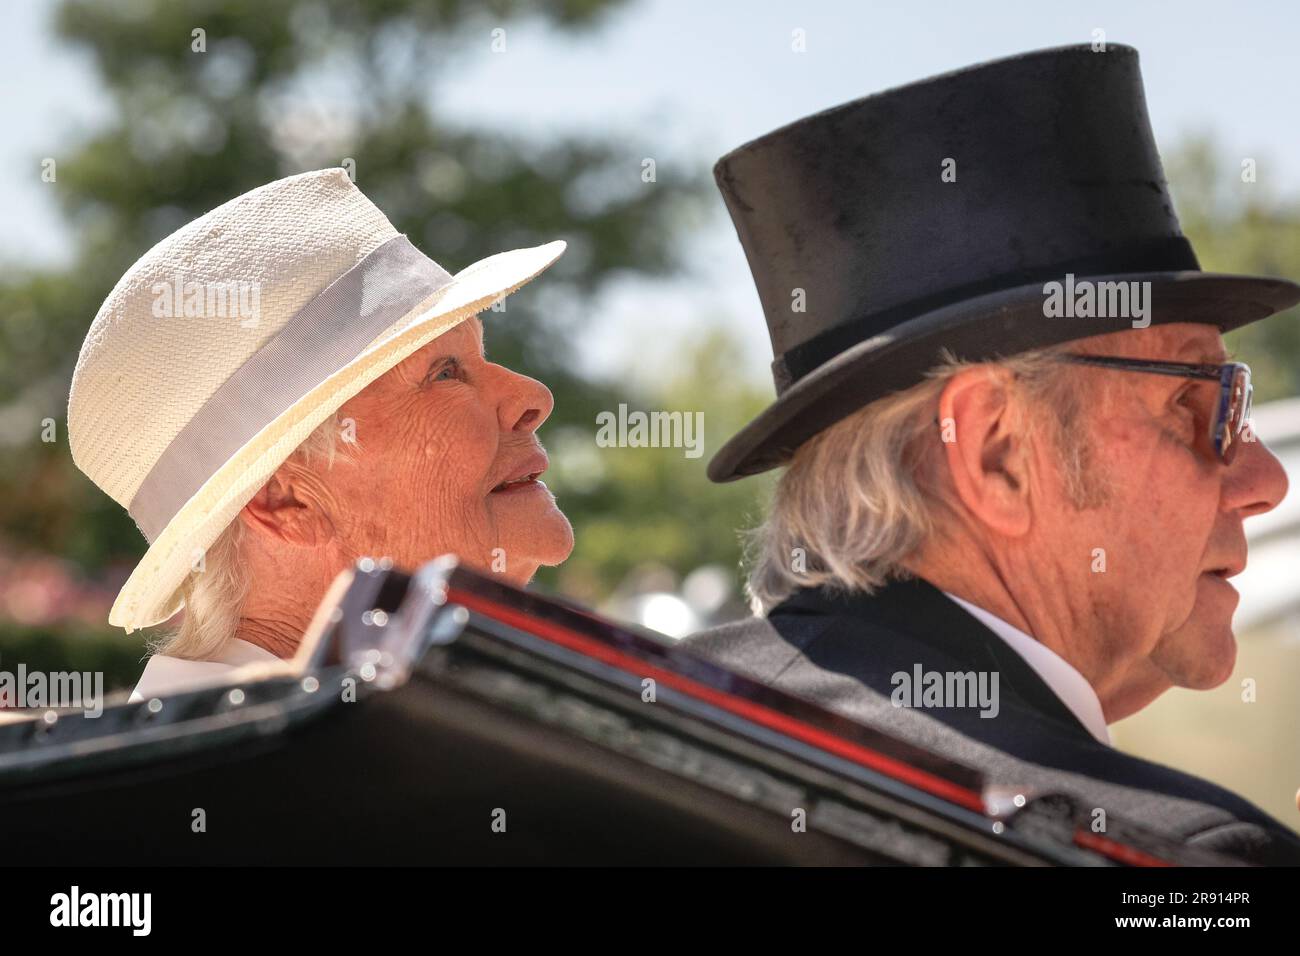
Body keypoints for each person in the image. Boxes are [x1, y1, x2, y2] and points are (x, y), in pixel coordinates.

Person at [684, 44, 1300, 864]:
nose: (1265, 481)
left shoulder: (594, 723)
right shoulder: (1179, 857)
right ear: (995, 453)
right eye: (1197, 404)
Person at [67, 169, 573, 701]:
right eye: (444, 373)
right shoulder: (238, 774)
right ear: (285, 499)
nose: (533, 397)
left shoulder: (388, 730)